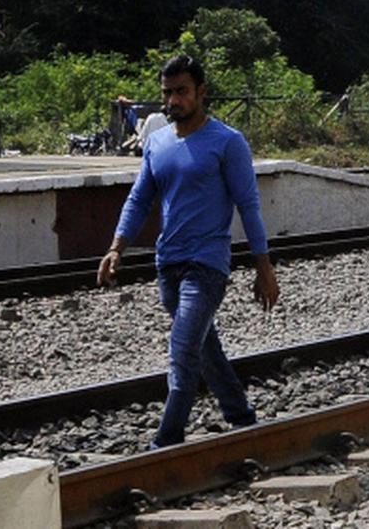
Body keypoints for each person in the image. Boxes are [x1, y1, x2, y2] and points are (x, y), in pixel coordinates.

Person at [97, 55, 280, 448]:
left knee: (183, 351)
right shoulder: (158, 142)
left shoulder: (228, 142)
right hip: (169, 264)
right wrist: (117, 248)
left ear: (201, 93)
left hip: (208, 265)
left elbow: (249, 206)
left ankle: (166, 443)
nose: (173, 101)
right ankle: (241, 416)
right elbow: (139, 199)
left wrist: (263, 267)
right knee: (204, 345)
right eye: (167, 93)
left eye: (182, 92)